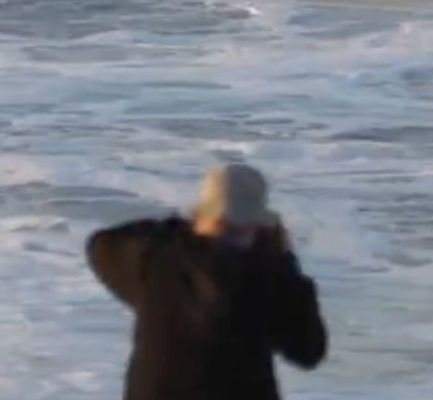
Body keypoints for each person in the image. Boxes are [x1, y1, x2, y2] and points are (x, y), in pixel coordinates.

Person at [86, 162, 327, 400]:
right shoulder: (268, 274)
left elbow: (101, 244)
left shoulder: (154, 255)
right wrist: (287, 264)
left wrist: (176, 228)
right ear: (257, 222)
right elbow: (309, 351)